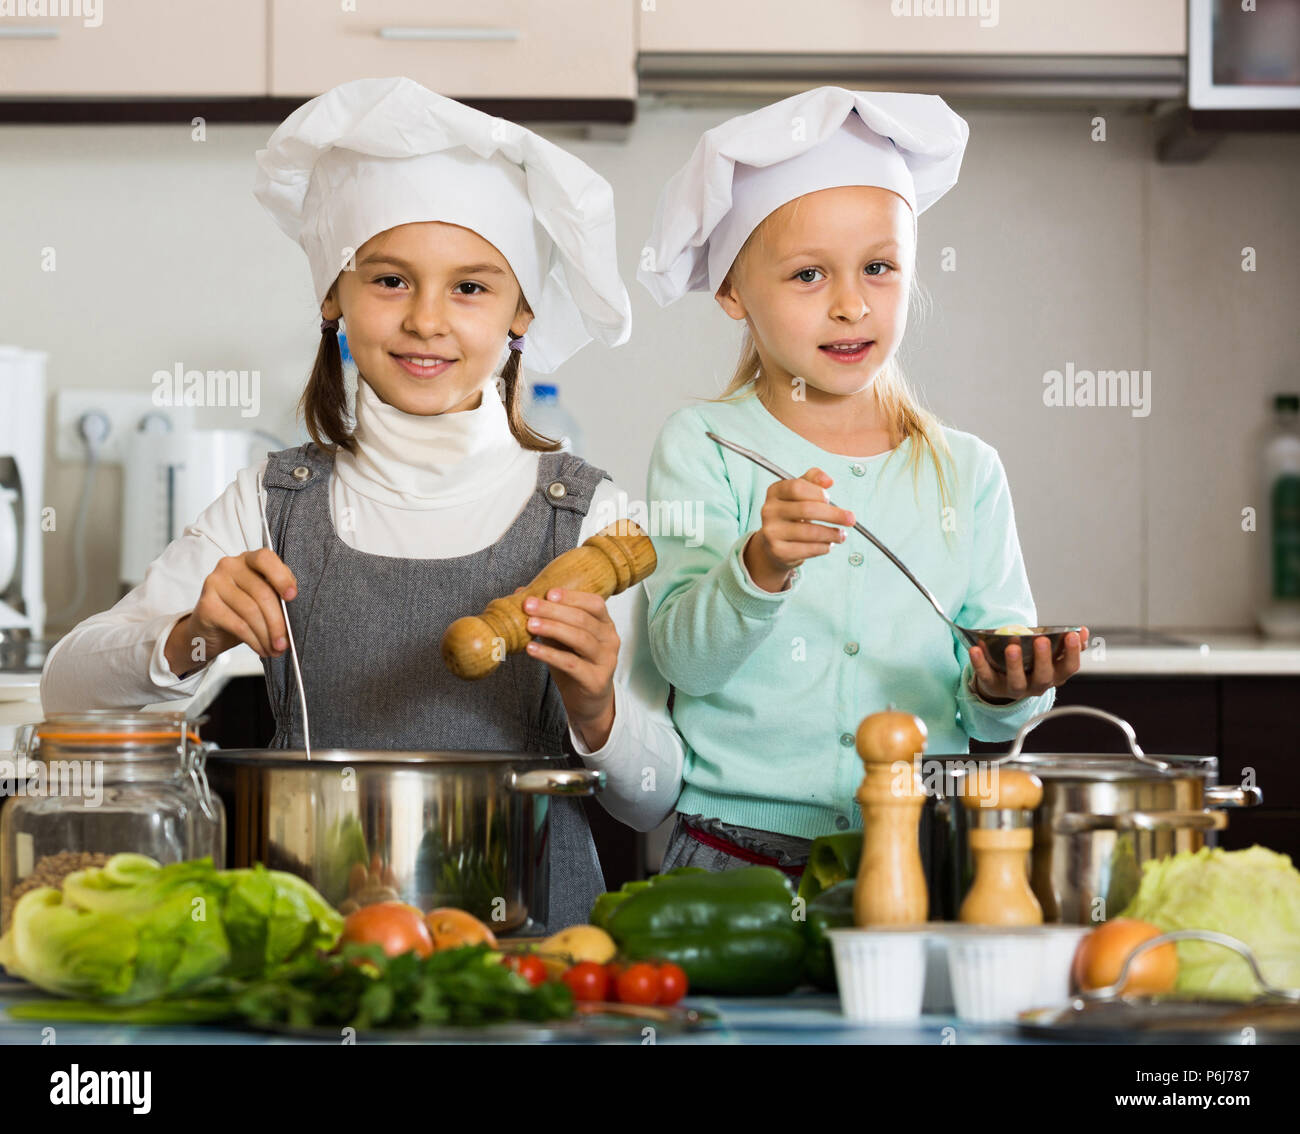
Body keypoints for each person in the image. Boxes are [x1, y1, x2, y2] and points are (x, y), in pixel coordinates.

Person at [40, 76, 684, 930]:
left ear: (520, 312)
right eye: (389, 279)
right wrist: (191, 635)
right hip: (317, 942)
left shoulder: (592, 517)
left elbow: (655, 802)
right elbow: (66, 692)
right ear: (333, 297)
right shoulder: (269, 504)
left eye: (470, 287)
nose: (426, 319)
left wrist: (599, 709)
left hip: (536, 953)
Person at [637, 87, 1088, 877]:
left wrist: (1011, 684)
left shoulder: (966, 471)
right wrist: (757, 570)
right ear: (734, 293)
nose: (851, 305)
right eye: (809, 275)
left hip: (916, 852)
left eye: (879, 268)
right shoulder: (705, 444)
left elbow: (990, 714)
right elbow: (683, 663)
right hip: (733, 858)